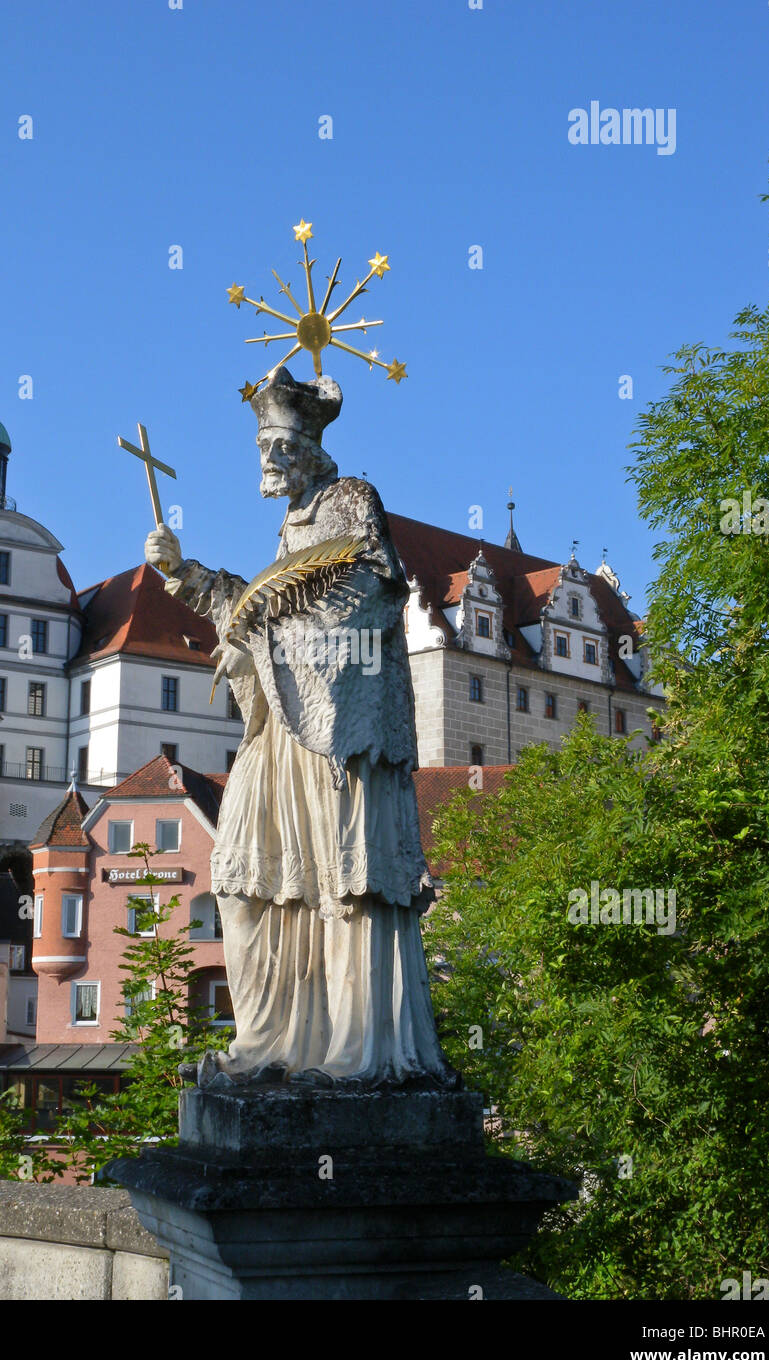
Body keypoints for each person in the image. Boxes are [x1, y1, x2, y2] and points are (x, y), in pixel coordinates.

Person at [145, 366, 455, 1089]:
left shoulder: (351, 500)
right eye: (264, 450)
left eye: (282, 446)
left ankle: (351, 1048)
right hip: (279, 729)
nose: (271, 462)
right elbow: (257, 609)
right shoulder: (290, 526)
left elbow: (369, 598)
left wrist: (270, 632)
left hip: (336, 733)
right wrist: (185, 574)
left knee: (342, 884)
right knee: (243, 880)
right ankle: (271, 1041)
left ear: (311, 447)